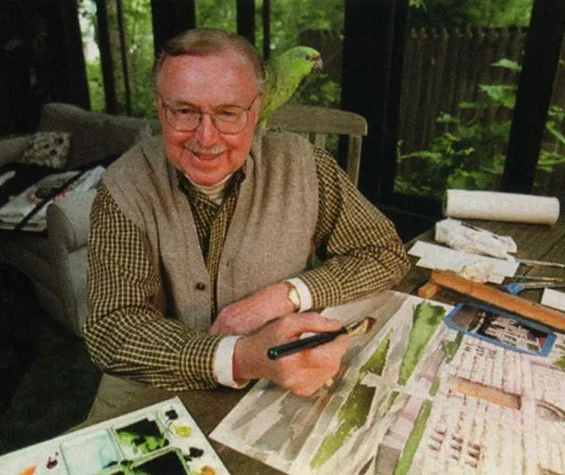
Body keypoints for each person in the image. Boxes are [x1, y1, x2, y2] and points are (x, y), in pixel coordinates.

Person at [82, 29, 410, 416]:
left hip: (272, 385)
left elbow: (384, 252)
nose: (206, 138)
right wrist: (238, 357)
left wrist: (287, 295)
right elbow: (112, 326)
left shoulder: (306, 166)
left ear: (255, 111)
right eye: (184, 111)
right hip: (148, 386)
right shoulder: (123, 185)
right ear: (160, 108)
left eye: (228, 113)